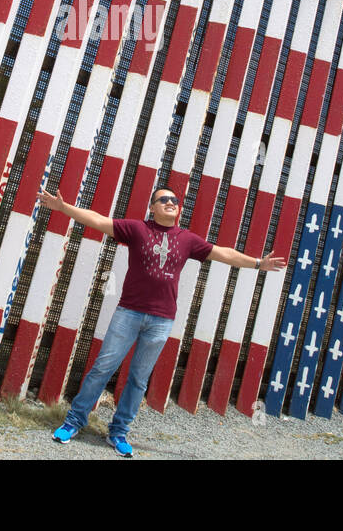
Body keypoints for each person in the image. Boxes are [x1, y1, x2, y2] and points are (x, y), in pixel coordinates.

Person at [38, 184, 288, 456]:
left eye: (174, 200)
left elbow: (222, 253)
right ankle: (74, 422)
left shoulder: (187, 239)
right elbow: (98, 220)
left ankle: (119, 432)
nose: (170, 202)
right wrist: (63, 208)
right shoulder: (137, 229)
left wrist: (257, 264)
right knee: (103, 368)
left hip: (161, 321)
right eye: (163, 199)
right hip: (129, 313)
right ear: (152, 208)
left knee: (138, 380)